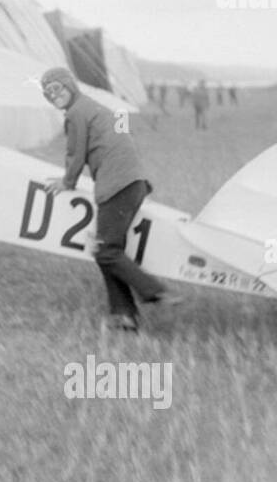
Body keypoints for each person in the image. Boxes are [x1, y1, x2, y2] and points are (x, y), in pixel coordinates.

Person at [40, 67, 183, 331]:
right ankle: (124, 315)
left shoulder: (76, 113)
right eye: (48, 93)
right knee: (106, 250)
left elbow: (76, 153)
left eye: (57, 88)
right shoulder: (93, 106)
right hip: (134, 183)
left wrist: (67, 182)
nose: (54, 95)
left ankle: (155, 290)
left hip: (117, 185)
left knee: (106, 251)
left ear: (70, 87)